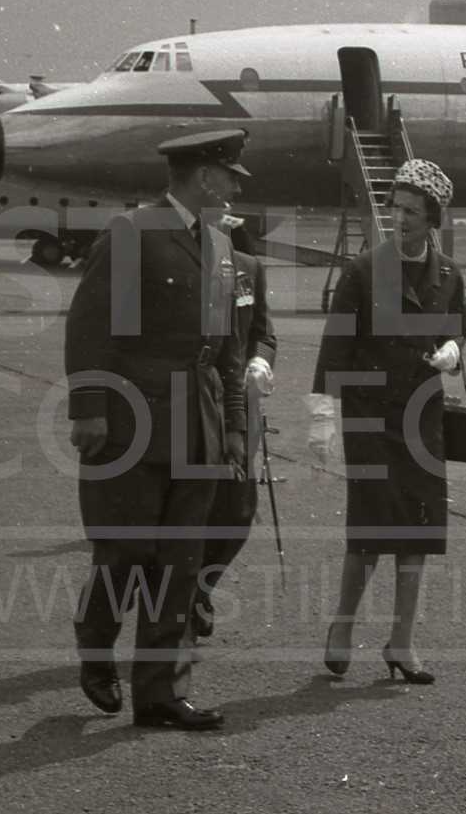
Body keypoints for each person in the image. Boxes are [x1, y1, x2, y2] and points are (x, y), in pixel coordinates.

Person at [66, 129, 250, 730]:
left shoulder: (221, 245)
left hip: (199, 418)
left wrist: (234, 429)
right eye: (228, 174)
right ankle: (96, 645)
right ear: (202, 176)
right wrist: (90, 409)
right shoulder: (132, 231)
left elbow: (226, 350)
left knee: (180, 561)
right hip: (133, 418)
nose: (233, 185)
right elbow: (92, 326)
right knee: (124, 551)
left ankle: (160, 695)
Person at [307, 157, 465, 685]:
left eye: (413, 213)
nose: (401, 219)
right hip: (370, 414)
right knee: (371, 527)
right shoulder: (364, 269)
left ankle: (402, 642)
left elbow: (457, 328)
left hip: (423, 414)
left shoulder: (448, 273)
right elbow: (336, 344)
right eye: (395, 208)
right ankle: (342, 627)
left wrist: (451, 350)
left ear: (432, 219)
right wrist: (323, 413)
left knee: (419, 530)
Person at [193, 213, 278, 639]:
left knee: (239, 511)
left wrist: (261, 359)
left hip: (238, 404)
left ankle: (200, 587)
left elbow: (263, 332)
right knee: (190, 506)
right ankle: (175, 607)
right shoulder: (182, 268)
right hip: (191, 401)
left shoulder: (250, 267)